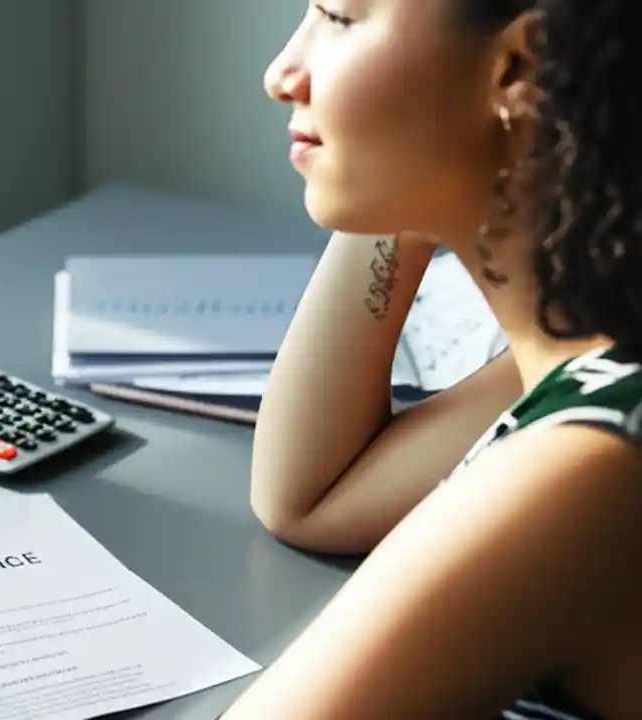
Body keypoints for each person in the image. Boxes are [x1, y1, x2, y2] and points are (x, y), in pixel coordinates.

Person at [225, 1, 642, 718]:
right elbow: (314, 499)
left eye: (339, 17)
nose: (282, 74)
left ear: (519, 66)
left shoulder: (589, 467)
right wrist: (415, 189)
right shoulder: (596, 346)